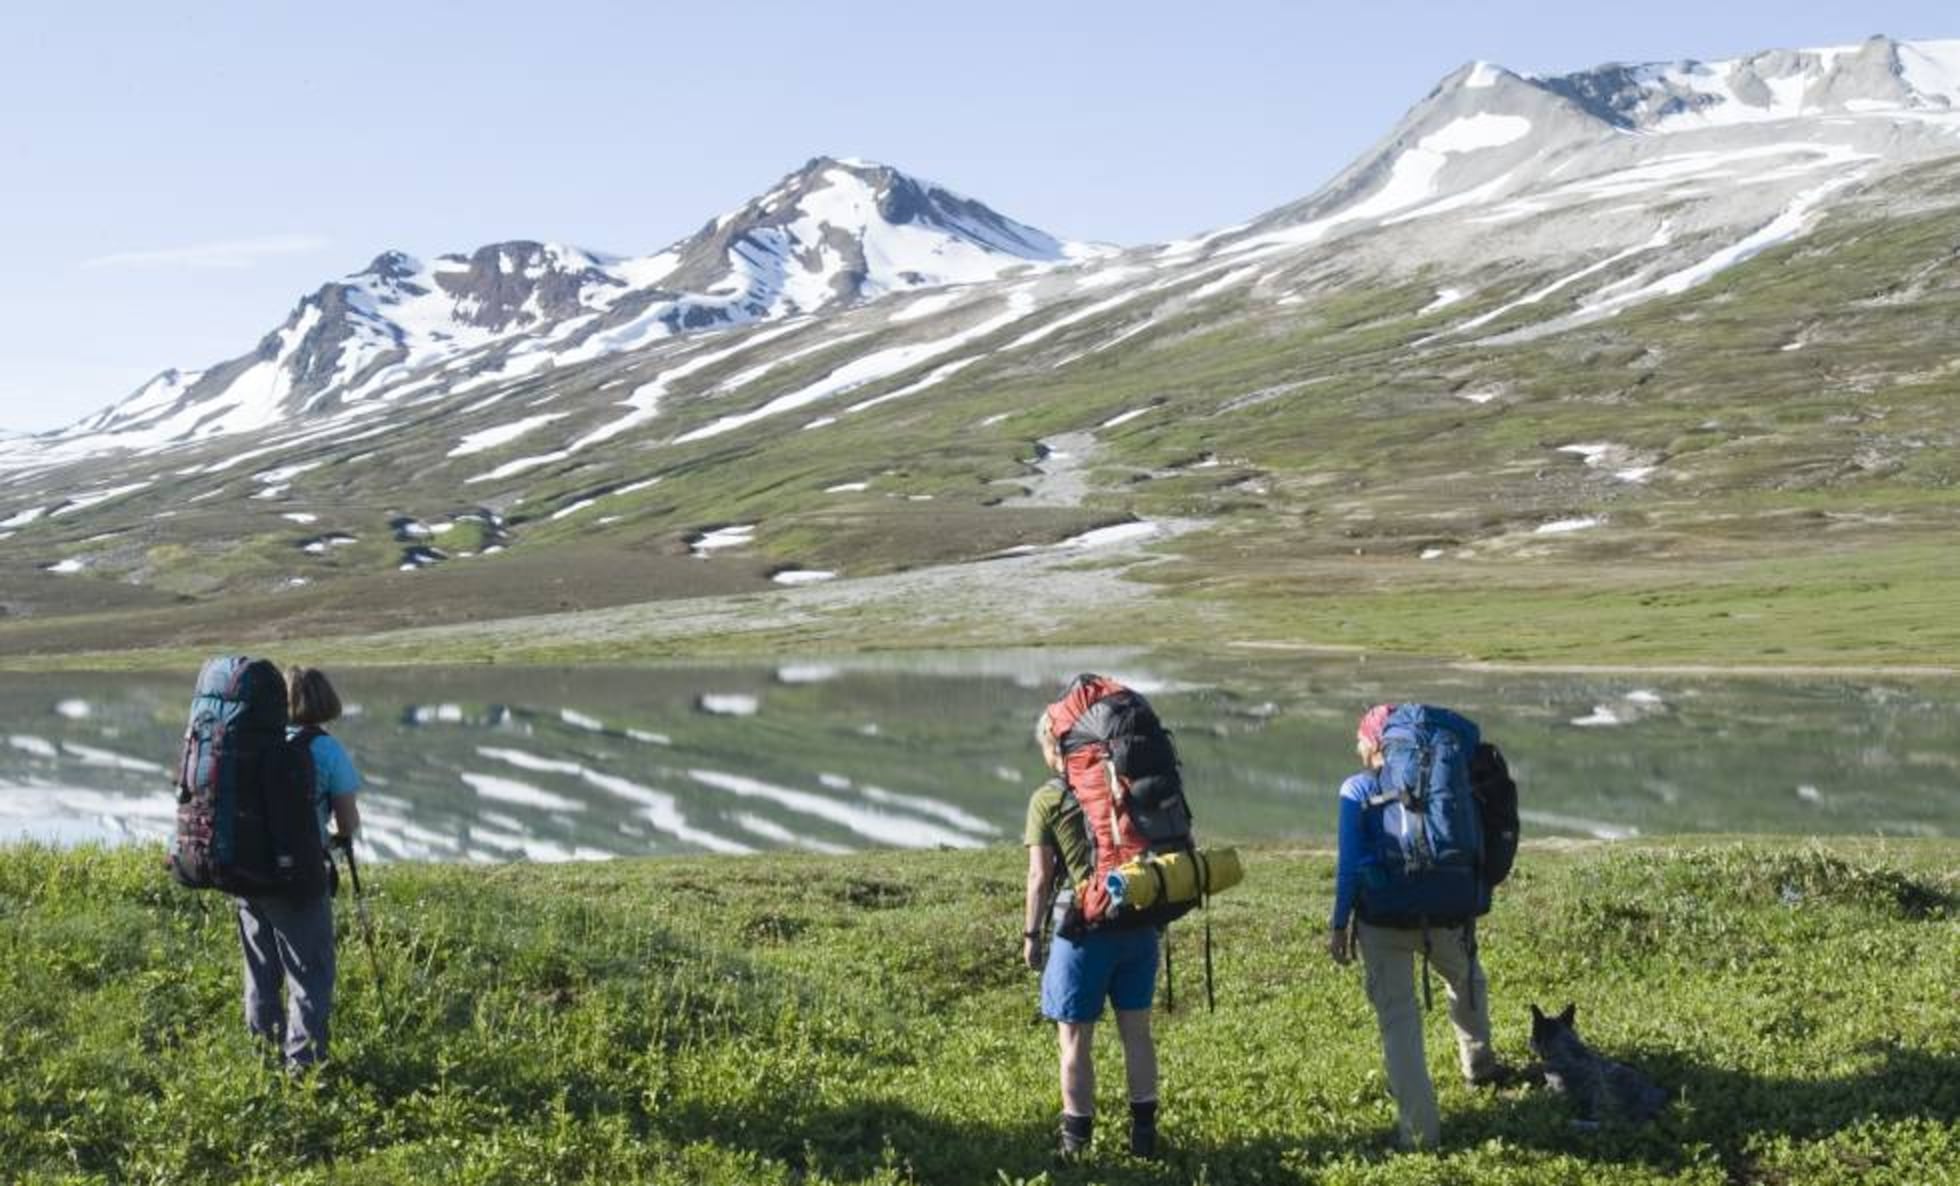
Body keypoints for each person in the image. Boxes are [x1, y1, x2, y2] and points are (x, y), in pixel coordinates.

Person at [1328, 703, 1508, 1151]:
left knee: (1399, 1022)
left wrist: (1338, 924)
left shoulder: (1357, 787)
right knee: (1466, 979)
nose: (1356, 745)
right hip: (1449, 910)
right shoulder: (1451, 777)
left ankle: (1420, 1135)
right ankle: (1479, 1065)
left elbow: (1349, 866)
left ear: (1375, 741)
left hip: (1382, 919)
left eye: (1360, 737)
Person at [1022, 710, 1161, 1160]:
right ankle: (1143, 1141)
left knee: (1075, 1039)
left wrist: (1031, 935)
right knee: (1136, 1034)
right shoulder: (1125, 786)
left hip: (1084, 929)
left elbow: (1040, 878)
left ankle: (1075, 1145)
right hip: (1140, 925)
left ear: (1054, 747)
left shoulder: (1048, 798)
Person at [233, 665, 362, 1069]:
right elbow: (347, 822)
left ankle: (263, 1061)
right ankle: (303, 1071)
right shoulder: (326, 750)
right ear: (325, 701)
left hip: (248, 872)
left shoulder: (251, 744)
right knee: (309, 975)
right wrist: (337, 840)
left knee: (260, 972)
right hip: (300, 878)